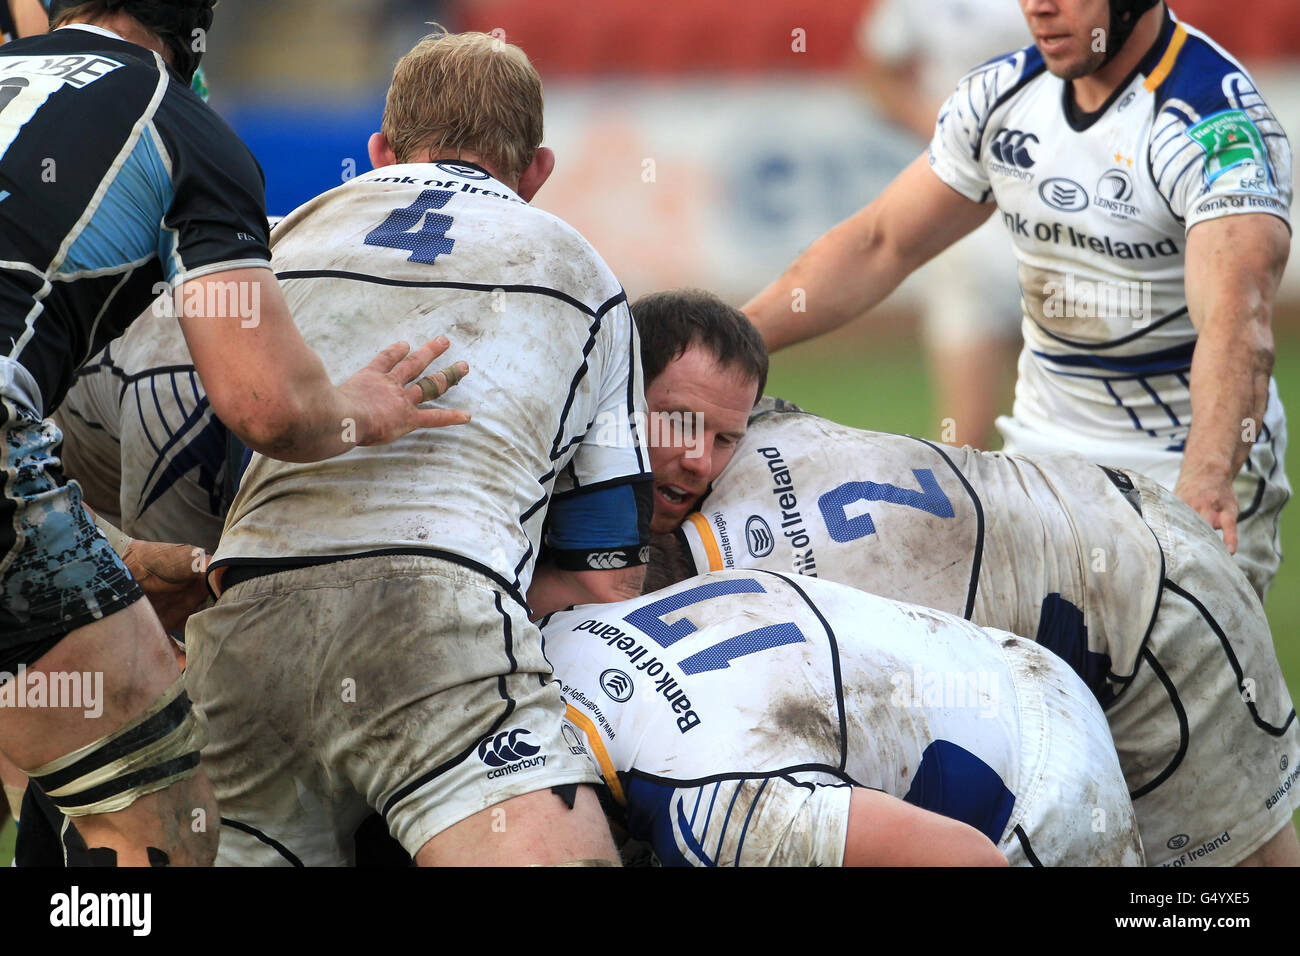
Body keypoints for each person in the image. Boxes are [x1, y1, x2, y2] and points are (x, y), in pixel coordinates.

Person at [0, 0, 468, 867]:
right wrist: (361, 404)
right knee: (157, 824)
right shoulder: (180, 126)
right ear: (193, 31)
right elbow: (265, 407)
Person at [185, 29, 653, 867]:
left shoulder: (285, 237)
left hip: (242, 622)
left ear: (377, 152)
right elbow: (604, 575)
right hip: (439, 618)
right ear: (537, 171)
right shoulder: (581, 270)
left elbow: (209, 460)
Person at [631, 287, 1297, 866]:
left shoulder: (696, 553)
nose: (697, 459)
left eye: (720, 436)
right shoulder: (760, 429)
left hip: (1150, 598)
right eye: (682, 424)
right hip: (1088, 541)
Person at [743, 0, 1292, 603]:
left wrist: (1207, 480)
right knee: (1020, 690)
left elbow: (1236, 320)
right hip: (1039, 464)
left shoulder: (1214, 124)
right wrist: (730, 341)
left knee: (1162, 695)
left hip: (1175, 471)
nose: (1038, 6)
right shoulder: (1003, 93)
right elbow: (880, 244)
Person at [542, 567, 1144, 866]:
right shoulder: (533, 645)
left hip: (1043, 781)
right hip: (972, 658)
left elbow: (969, 861)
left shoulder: (714, 815)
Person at [856, 0, 1028, 447]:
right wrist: (949, 133)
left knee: (1061, 425)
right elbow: (878, 71)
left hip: (1057, 204)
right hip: (963, 213)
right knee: (965, 431)